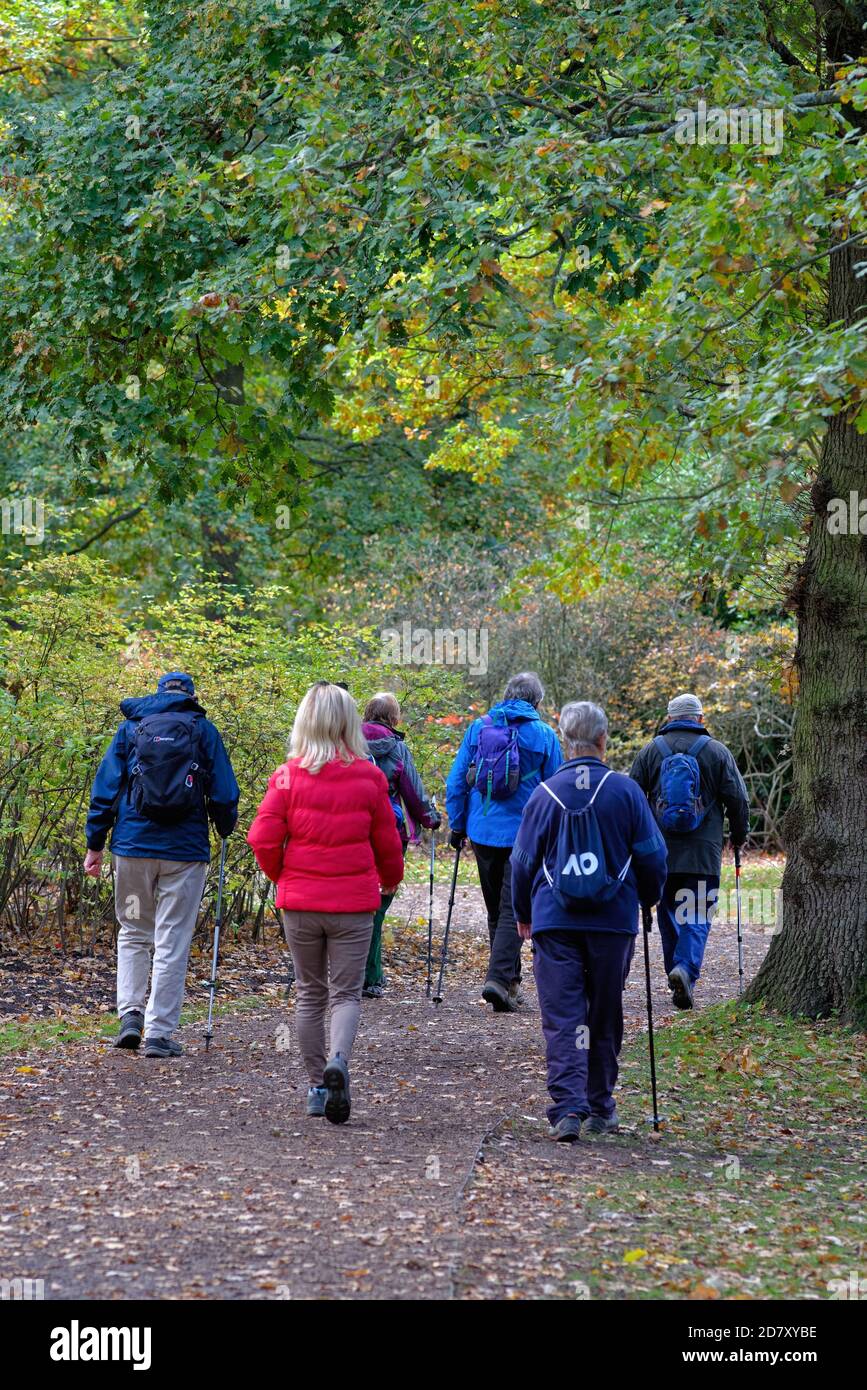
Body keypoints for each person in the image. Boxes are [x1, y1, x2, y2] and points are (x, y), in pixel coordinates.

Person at [247, 681, 404, 1124]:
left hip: (301, 903)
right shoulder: (370, 777)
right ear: (349, 723)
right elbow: (387, 844)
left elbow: (261, 838)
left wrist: (284, 877)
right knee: (346, 994)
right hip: (354, 904)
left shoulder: (287, 774)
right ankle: (339, 1060)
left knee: (310, 994)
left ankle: (318, 1085)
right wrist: (390, 881)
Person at [511, 701, 667, 1141]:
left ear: (564, 741)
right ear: (603, 740)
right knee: (604, 1010)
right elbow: (653, 856)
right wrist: (649, 898)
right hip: (612, 921)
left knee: (563, 1015)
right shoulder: (626, 792)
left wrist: (524, 912)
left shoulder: (544, 795)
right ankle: (600, 1105)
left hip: (554, 921)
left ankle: (567, 1109)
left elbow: (522, 863)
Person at [83, 672, 239, 1059]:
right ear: (190, 696)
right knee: (172, 940)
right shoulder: (203, 731)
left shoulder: (131, 729)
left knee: (134, 930)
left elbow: (106, 788)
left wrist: (95, 844)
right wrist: (224, 826)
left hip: (133, 852)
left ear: (157, 694)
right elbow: (223, 791)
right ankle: (159, 1033)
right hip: (183, 856)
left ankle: (130, 1016)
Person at [445, 672, 562, 1013]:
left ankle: (508, 982)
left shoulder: (478, 727)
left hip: (482, 831)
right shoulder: (543, 734)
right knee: (514, 908)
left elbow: (457, 780)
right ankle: (498, 979)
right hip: (525, 834)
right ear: (536, 702)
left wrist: (457, 824)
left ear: (507, 694)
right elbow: (556, 787)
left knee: (497, 908)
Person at [629, 693, 750, 1010]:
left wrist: (639, 837)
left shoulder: (651, 751)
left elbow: (631, 795)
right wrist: (739, 836)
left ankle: (676, 973)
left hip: (660, 851)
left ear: (669, 718)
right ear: (700, 718)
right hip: (702, 853)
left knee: (669, 916)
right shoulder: (716, 752)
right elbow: (737, 799)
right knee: (696, 914)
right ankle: (684, 969)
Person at [361, 692, 441, 998]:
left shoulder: (346, 741)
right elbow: (413, 791)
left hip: (353, 831)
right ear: (394, 719)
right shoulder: (398, 748)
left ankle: (362, 975)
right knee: (378, 904)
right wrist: (431, 818)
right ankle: (370, 977)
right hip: (390, 832)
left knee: (356, 901)